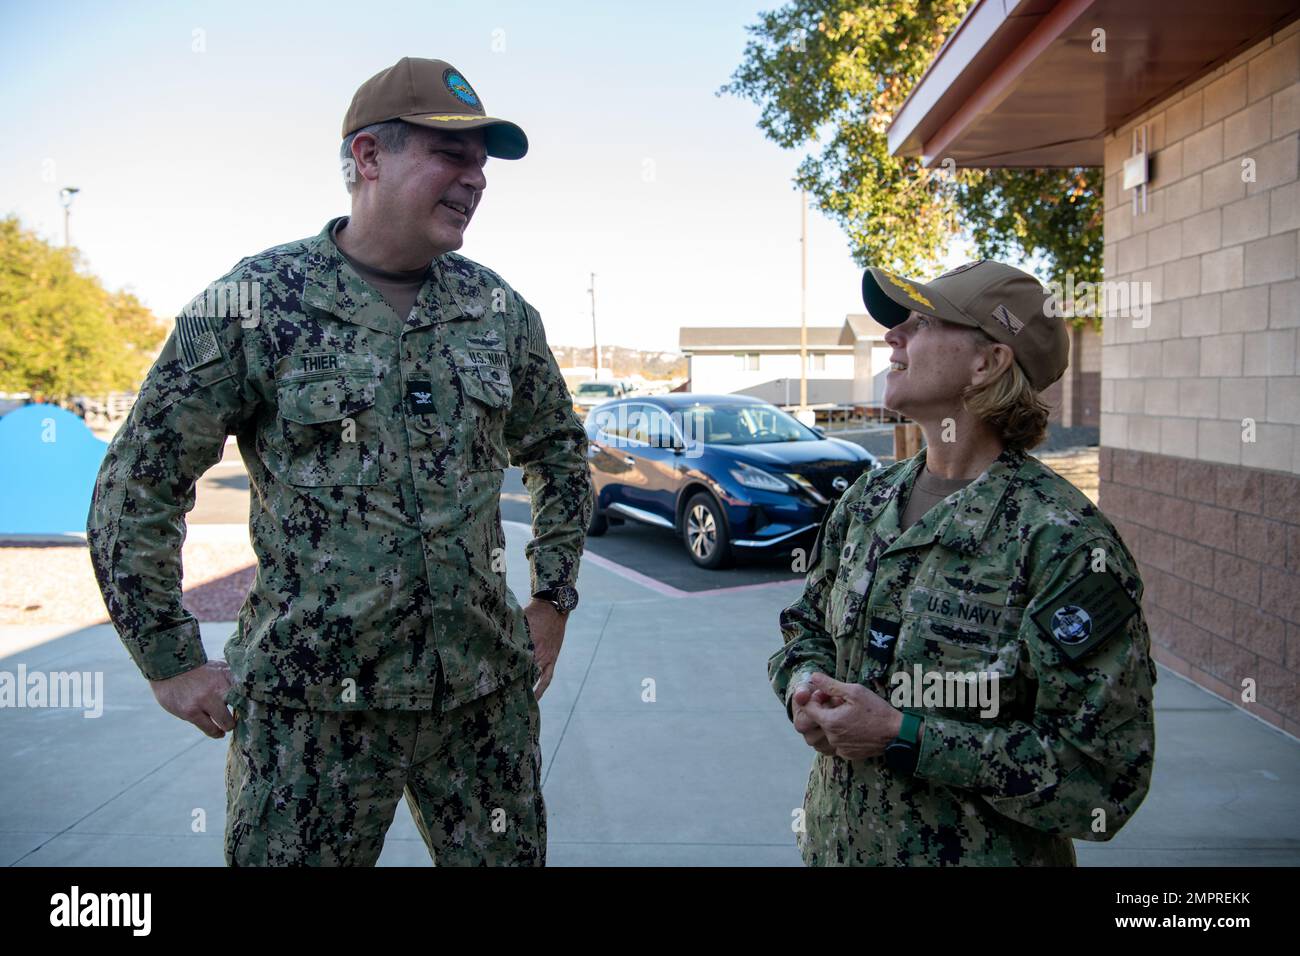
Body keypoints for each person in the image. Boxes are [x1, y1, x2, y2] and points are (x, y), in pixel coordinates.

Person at [87, 56, 592, 866]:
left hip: (481, 703)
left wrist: (554, 599)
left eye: (482, 165)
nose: (475, 180)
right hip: (310, 715)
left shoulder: (497, 310)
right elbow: (139, 483)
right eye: (451, 155)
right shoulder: (252, 301)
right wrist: (168, 658)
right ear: (367, 157)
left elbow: (562, 453)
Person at [769, 259, 1156, 866]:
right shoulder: (868, 500)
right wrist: (802, 685)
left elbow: (1102, 781)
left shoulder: (1065, 542)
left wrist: (908, 738)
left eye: (919, 322)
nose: (892, 337)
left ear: (989, 361)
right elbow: (804, 628)